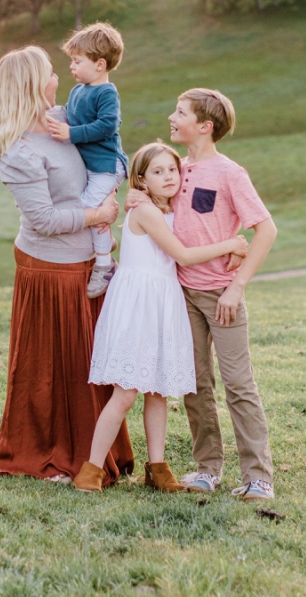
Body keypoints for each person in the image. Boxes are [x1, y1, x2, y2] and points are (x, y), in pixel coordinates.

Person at [0, 44, 133, 485]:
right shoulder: (18, 152)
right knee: (54, 371)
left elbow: (101, 152)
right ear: (32, 83)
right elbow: (45, 220)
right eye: (50, 73)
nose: (58, 79)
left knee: (88, 364)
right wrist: (97, 216)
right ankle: (51, 452)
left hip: (86, 262)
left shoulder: (61, 123)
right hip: (50, 271)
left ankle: (94, 450)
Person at [73, 141, 252, 493]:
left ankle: (158, 469)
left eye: (173, 169)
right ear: (141, 180)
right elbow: (183, 255)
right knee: (125, 393)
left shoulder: (169, 207)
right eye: (157, 172)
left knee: (158, 390)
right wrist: (232, 244)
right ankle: (90, 469)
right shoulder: (145, 212)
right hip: (139, 302)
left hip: (164, 300)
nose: (168, 176)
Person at [126, 88, 278, 502]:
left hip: (220, 296)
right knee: (194, 383)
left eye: (180, 113)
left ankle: (258, 477)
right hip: (181, 294)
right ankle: (208, 468)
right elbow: (156, 197)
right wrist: (137, 194)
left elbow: (265, 230)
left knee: (238, 384)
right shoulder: (176, 168)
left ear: (204, 126)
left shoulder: (230, 173)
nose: (171, 118)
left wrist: (237, 284)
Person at [46, 22, 127, 298]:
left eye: (77, 61)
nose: (72, 66)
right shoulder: (78, 91)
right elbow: (68, 114)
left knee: (87, 209)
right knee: (91, 209)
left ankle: (104, 264)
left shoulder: (106, 93)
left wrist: (71, 133)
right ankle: (105, 242)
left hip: (107, 166)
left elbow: (107, 126)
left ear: (100, 64)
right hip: (91, 168)